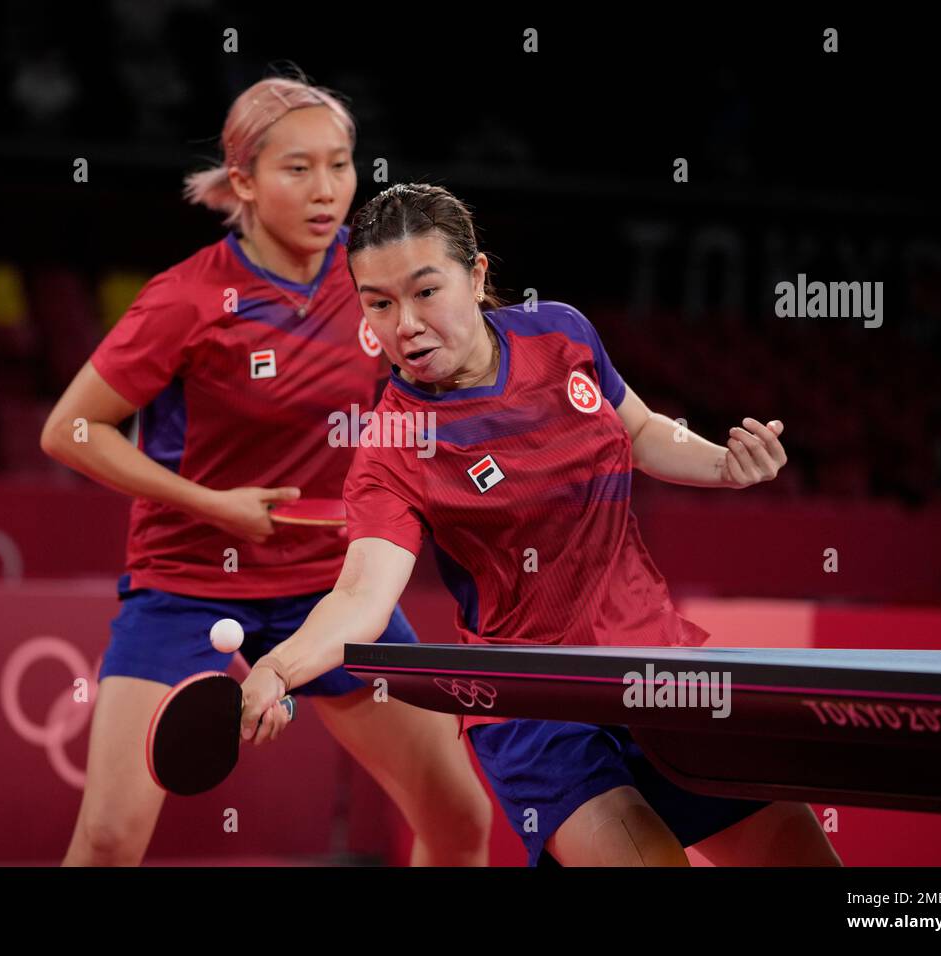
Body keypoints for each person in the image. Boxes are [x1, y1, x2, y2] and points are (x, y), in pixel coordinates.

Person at [238, 182, 843, 867]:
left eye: (425, 291)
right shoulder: (393, 445)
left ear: (476, 276)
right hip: (536, 704)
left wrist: (725, 467)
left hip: (659, 670)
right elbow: (360, 597)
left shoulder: (561, 332)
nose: (402, 322)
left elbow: (638, 429)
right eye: (379, 303)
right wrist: (280, 668)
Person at [41, 77, 491, 866]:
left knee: (460, 819)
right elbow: (71, 431)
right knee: (109, 839)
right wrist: (210, 505)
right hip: (186, 584)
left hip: (333, 589)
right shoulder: (185, 299)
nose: (327, 191)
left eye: (342, 165)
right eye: (298, 169)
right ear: (243, 181)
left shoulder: (372, 282)